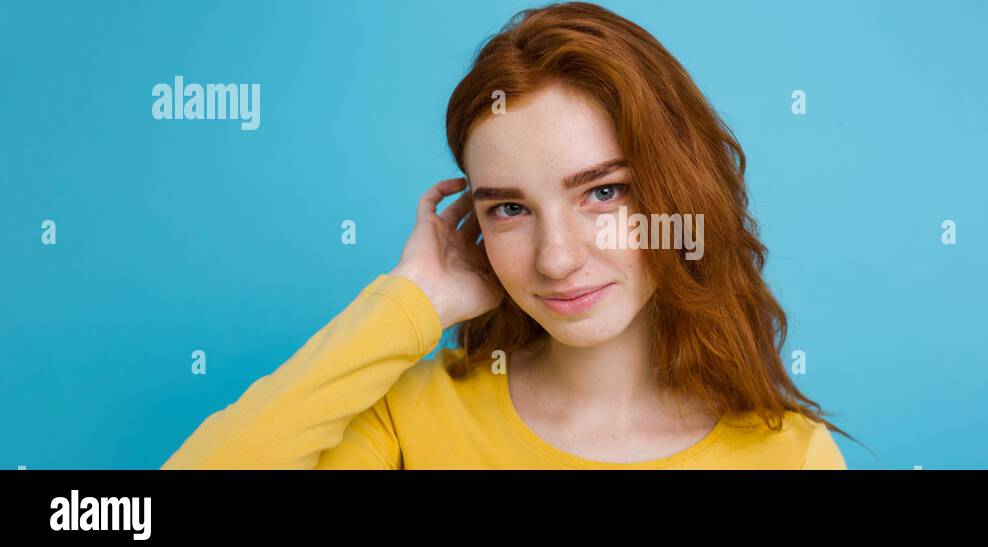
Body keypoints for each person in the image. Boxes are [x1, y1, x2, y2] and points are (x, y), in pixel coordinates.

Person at [163, 1, 855, 470]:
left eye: (604, 192)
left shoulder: (790, 457)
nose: (557, 258)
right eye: (510, 209)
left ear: (680, 190)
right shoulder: (407, 416)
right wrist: (408, 303)